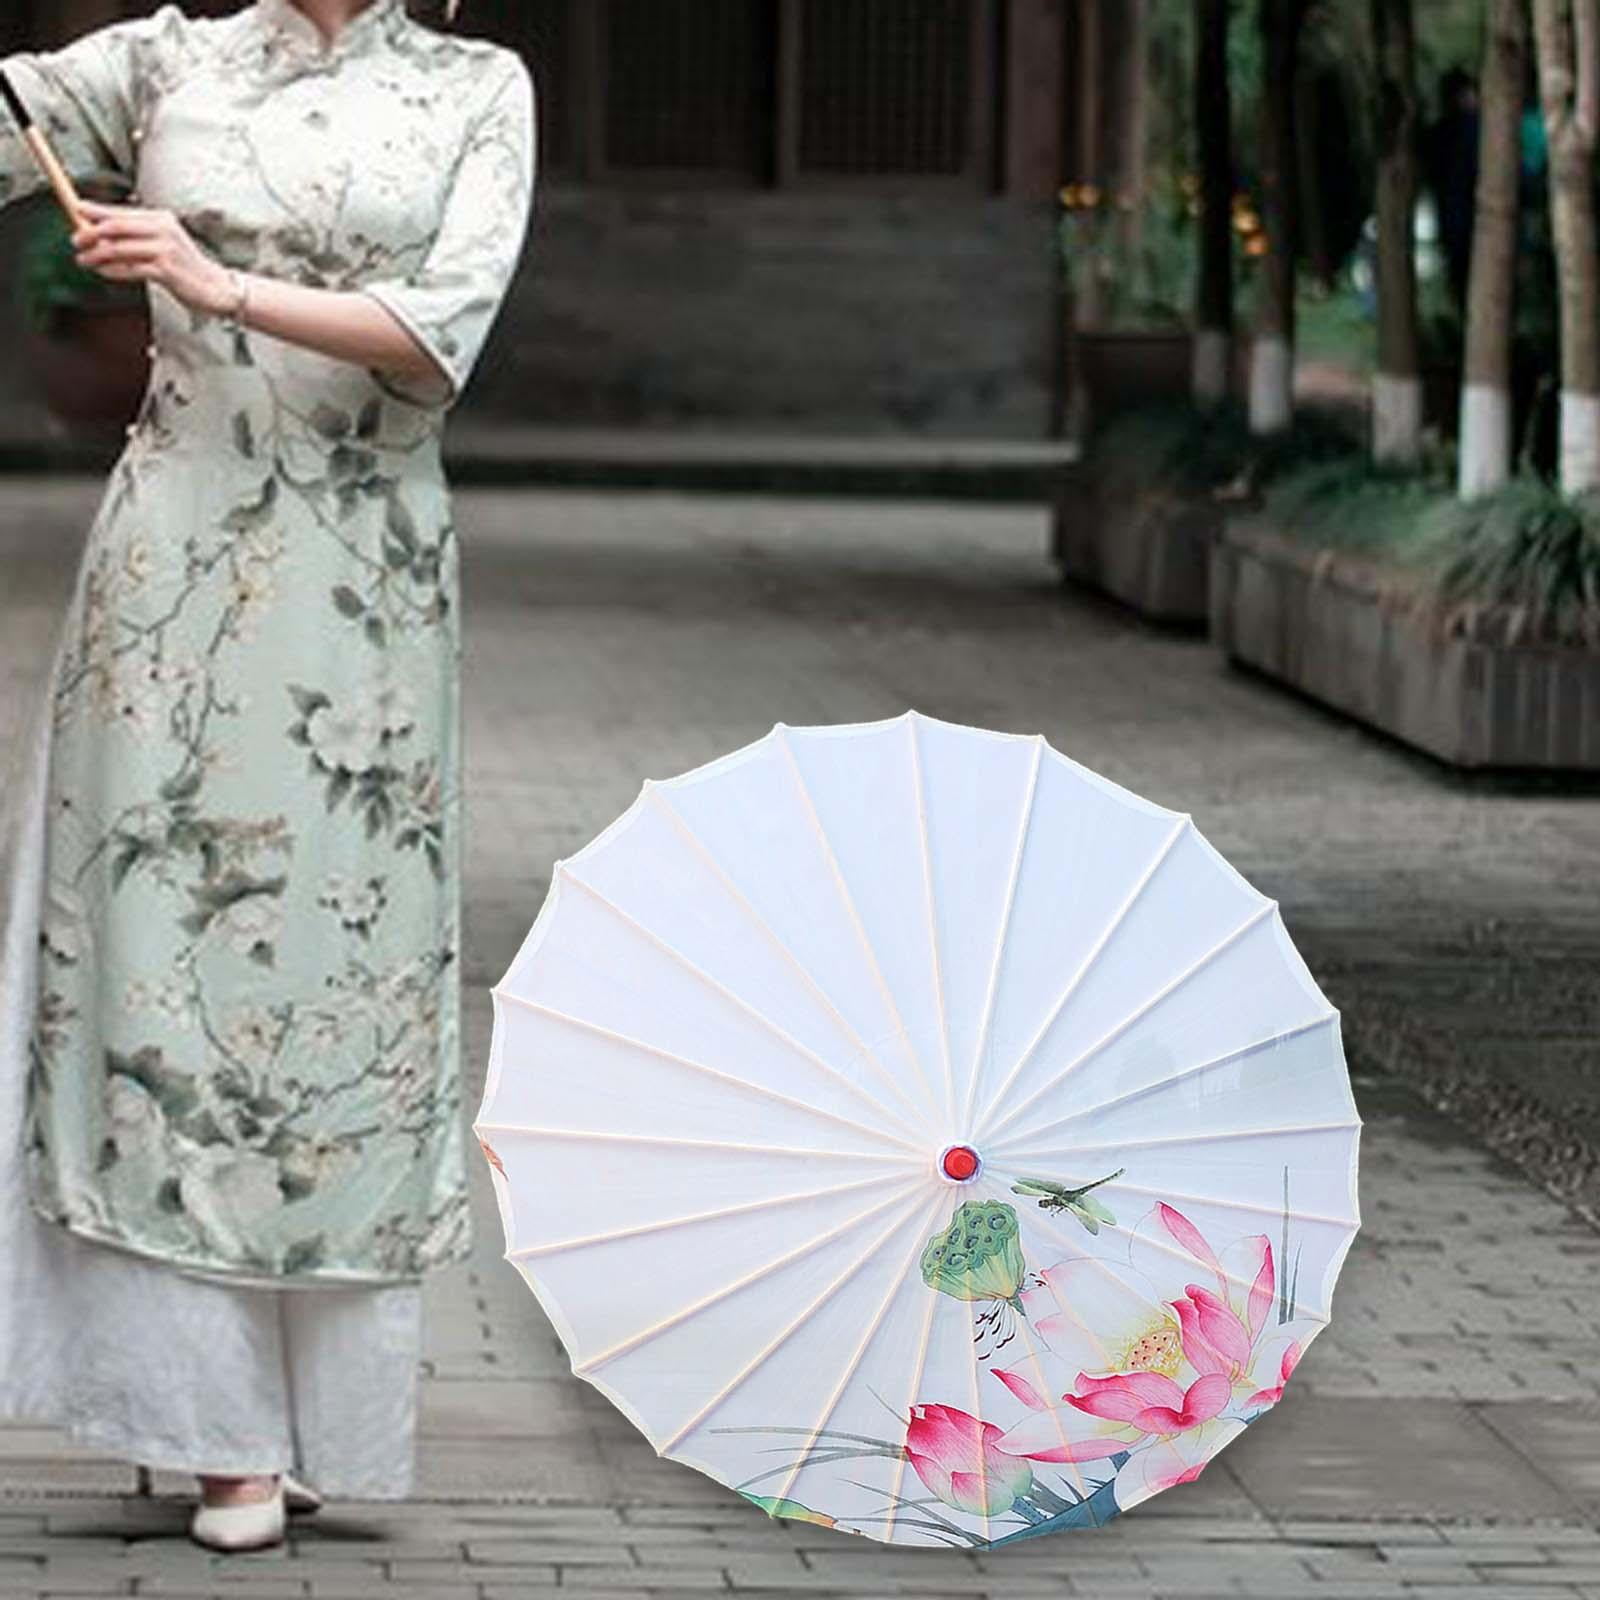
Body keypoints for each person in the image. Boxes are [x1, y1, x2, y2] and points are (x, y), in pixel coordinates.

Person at [0, 0, 536, 1552]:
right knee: (156, 975)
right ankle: (216, 1432)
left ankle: (308, 1424)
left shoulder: (475, 85)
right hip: (171, 556)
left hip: (361, 567)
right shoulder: (167, 57)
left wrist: (207, 273)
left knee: (339, 973)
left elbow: (444, 333)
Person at [1423, 66, 1480, 316]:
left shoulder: (1439, 131)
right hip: (1469, 220)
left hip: (1453, 222)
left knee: (1461, 283)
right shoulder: (1475, 129)